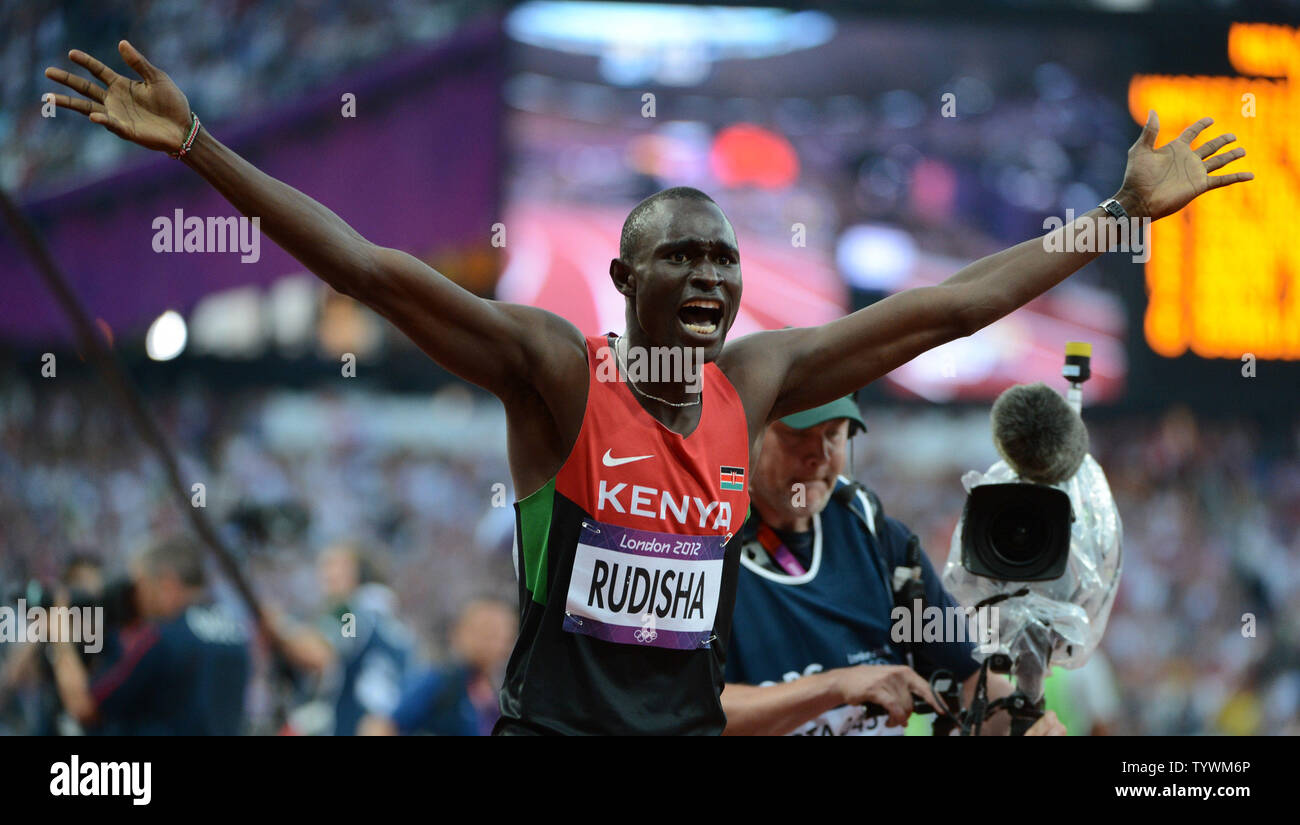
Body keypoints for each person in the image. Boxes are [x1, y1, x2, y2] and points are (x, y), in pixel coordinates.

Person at [45, 40, 1251, 734]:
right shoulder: (556, 372)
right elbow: (369, 266)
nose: (714, 275)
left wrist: (1113, 218)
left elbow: (940, 310)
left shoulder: (758, 377)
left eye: (726, 257)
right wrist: (200, 146)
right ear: (623, 275)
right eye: (684, 253)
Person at [722, 397, 1064, 735]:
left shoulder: (879, 540)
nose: (820, 455)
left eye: (834, 434)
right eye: (798, 435)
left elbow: (970, 681)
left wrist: (1023, 724)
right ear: (748, 435)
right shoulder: (704, 545)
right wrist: (834, 686)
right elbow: (686, 713)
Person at [48, 536, 251, 735]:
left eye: (140, 585)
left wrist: (59, 635)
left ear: (167, 585)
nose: (136, 598)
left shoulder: (163, 639)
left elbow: (85, 708)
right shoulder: (235, 635)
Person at [275, 542, 414, 736]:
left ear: (360, 573)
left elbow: (318, 654)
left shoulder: (351, 614)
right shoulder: (395, 624)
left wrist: (279, 626)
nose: (326, 575)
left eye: (335, 565)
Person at [359, 597, 518, 736]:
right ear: (459, 631)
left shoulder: (503, 692)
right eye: (487, 633)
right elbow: (381, 726)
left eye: (505, 636)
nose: (497, 643)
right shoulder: (440, 681)